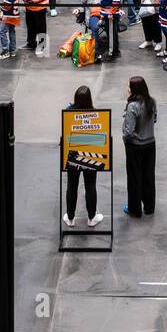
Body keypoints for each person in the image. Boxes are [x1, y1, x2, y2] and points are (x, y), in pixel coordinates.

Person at [63, 85, 103, 228]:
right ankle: (92, 217)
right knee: (90, 185)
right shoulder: (96, 114)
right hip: (91, 155)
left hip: (72, 155)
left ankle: (70, 217)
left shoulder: (68, 112)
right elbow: (100, 138)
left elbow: (65, 135)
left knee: (72, 186)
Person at [122, 75, 157, 218]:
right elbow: (154, 119)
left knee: (134, 178)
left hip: (135, 147)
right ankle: (149, 207)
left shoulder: (132, 107)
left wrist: (125, 137)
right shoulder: (152, 102)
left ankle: (134, 209)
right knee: (149, 176)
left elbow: (129, 131)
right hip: (150, 143)